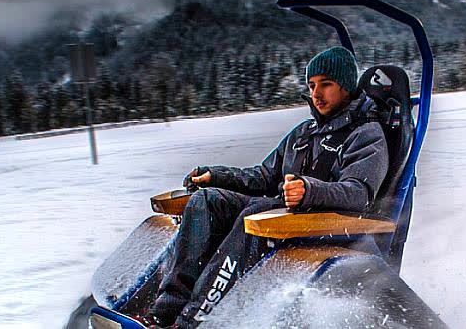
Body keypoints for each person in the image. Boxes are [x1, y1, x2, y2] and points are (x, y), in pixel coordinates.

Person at [145, 46, 389, 328]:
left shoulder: (366, 133)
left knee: (255, 215)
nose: (316, 94)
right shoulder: (303, 132)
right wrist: (217, 176)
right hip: (282, 216)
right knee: (207, 202)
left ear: (346, 86)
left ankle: (192, 320)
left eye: (326, 84)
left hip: (327, 226)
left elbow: (359, 192)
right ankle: (167, 311)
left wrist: (309, 191)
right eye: (311, 86)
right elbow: (263, 175)